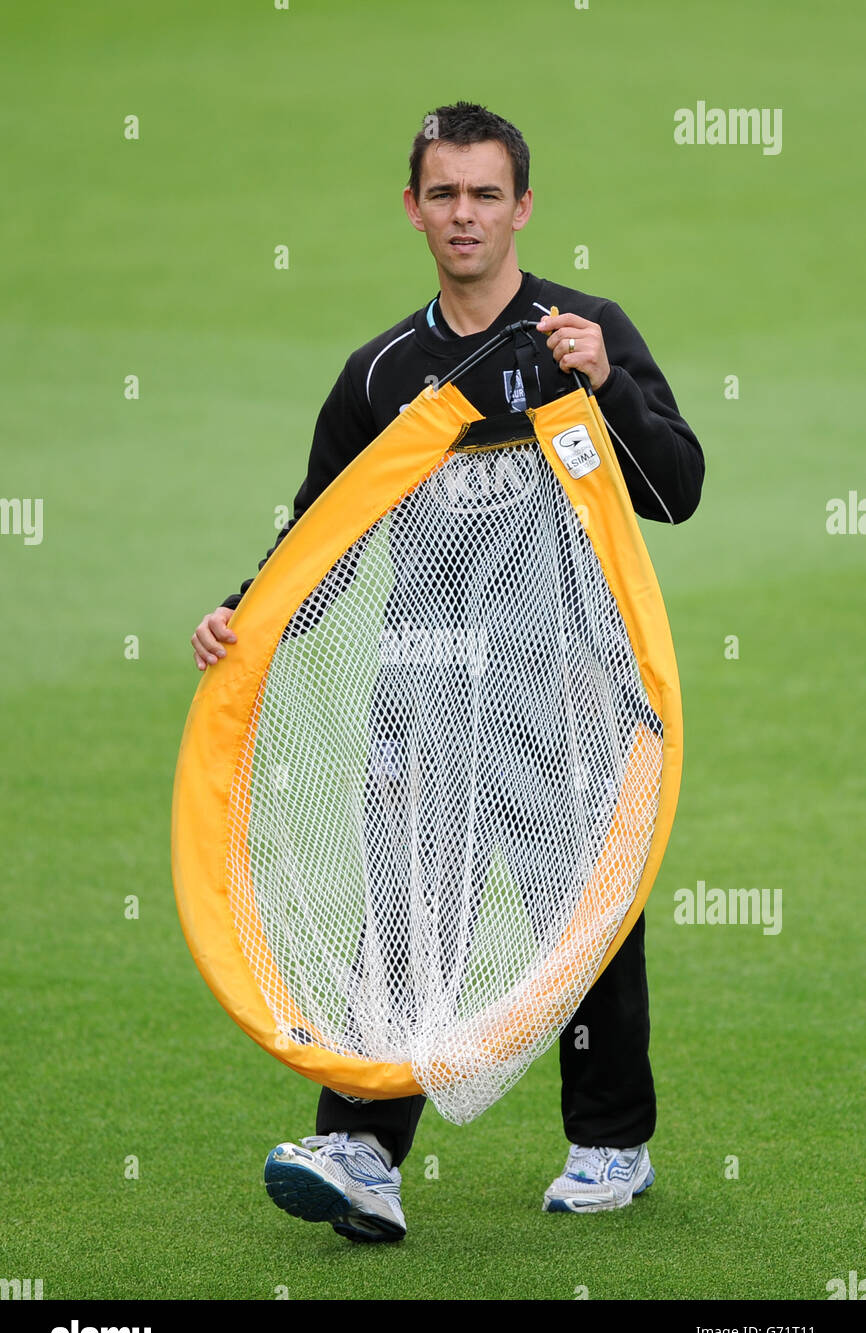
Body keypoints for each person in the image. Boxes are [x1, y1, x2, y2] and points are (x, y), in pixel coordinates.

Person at [190, 102, 705, 1243]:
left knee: (590, 915)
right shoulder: (379, 373)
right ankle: (364, 1154)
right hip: (420, 692)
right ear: (413, 206)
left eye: (483, 194)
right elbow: (319, 540)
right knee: (406, 915)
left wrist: (607, 382)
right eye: (442, 194)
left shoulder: (588, 329)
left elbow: (673, 489)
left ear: (521, 206)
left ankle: (610, 1144)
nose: (462, 215)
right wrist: (243, 615)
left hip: (563, 687)